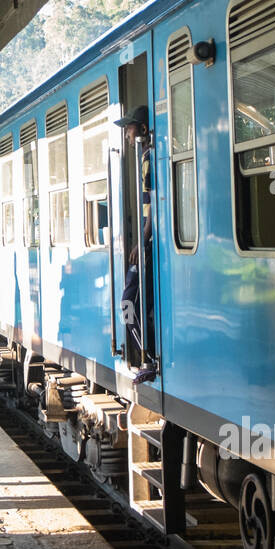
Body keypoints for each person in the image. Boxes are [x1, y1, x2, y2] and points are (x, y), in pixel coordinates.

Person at [116, 106, 157, 381]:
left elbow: (154, 202)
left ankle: (149, 358)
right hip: (149, 241)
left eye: (130, 129)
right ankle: (148, 356)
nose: (127, 136)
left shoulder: (149, 159)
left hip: (150, 242)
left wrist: (141, 240)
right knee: (133, 304)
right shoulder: (146, 158)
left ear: (142, 130)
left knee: (128, 303)